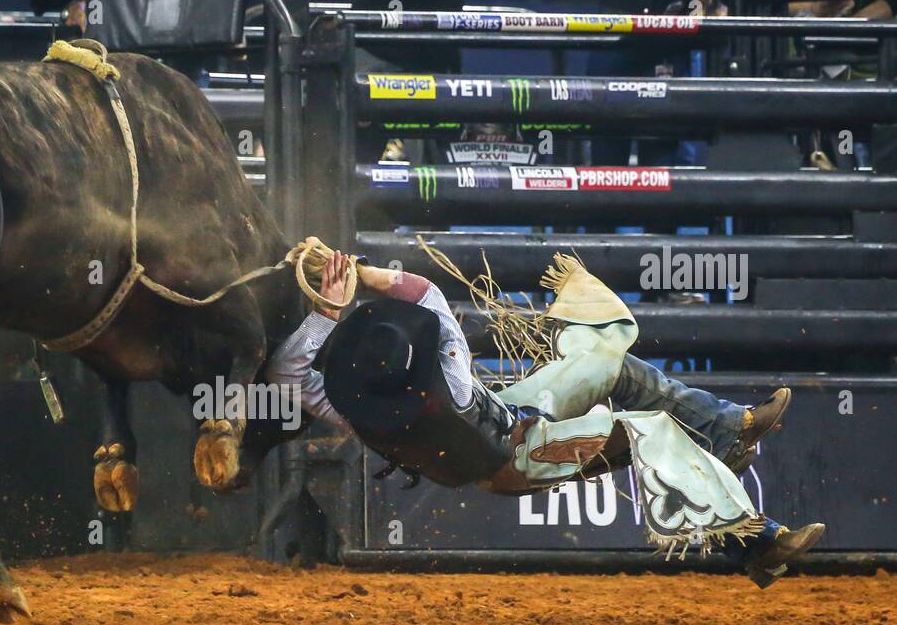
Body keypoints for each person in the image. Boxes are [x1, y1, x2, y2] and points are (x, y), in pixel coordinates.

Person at [265, 250, 825, 588]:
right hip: (524, 453)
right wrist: (355, 273)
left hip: (510, 427)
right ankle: (758, 542)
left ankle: (729, 424)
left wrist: (324, 314)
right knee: (646, 428)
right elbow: (428, 291)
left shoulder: (351, 409)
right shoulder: (450, 370)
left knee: (610, 366)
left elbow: (287, 373)